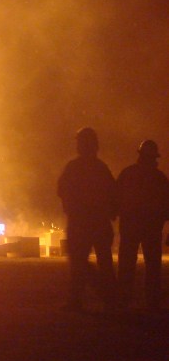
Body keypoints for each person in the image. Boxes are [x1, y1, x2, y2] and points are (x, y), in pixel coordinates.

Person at [57, 127, 117, 311]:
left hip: (80, 222)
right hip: (98, 222)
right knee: (103, 262)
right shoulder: (101, 168)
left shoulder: (74, 167)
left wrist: (72, 209)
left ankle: (77, 300)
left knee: (78, 262)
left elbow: (61, 190)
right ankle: (109, 299)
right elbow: (113, 193)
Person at [116, 139, 169, 311]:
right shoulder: (159, 178)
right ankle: (152, 301)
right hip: (152, 227)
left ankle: (123, 299)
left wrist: (114, 213)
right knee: (153, 265)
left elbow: (115, 197)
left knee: (127, 263)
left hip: (131, 225)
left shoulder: (128, 173)